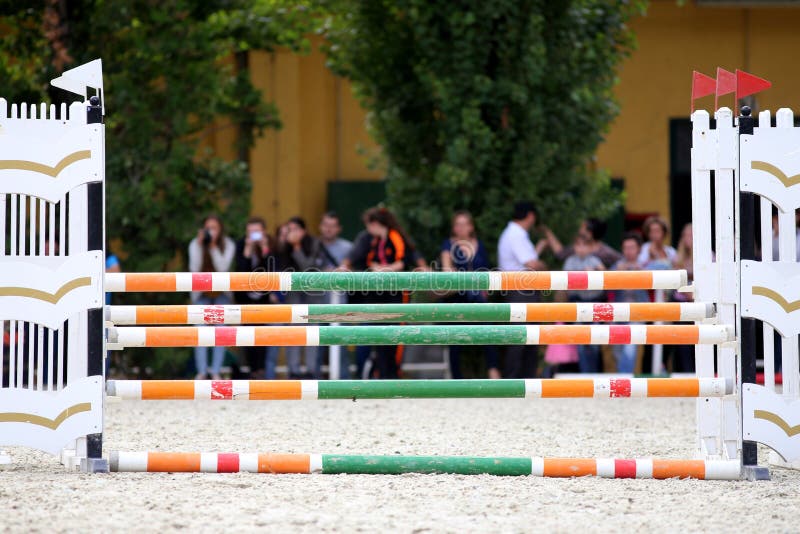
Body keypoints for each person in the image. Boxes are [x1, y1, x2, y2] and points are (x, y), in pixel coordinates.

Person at [343, 207, 413, 379]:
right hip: (379, 294)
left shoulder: (395, 236)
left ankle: (393, 375)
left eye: (369, 225)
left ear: (375, 223)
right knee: (380, 338)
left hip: (397, 293)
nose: (368, 229)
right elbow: (366, 261)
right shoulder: (372, 240)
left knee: (396, 337)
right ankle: (381, 375)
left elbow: (401, 262)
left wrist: (383, 269)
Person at [440, 211, 500, 379]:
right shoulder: (448, 245)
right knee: (455, 341)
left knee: (489, 332)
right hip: (455, 299)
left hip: (477, 298)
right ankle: (456, 380)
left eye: (464, 224)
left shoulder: (479, 245)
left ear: (471, 227)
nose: (461, 228)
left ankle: (494, 374)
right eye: (457, 224)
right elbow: (447, 272)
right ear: (453, 228)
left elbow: (486, 273)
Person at [497, 201, 547, 378]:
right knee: (521, 339)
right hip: (521, 291)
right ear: (531, 216)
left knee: (526, 339)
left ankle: (523, 380)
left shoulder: (514, 233)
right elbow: (532, 264)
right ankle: (514, 381)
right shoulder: (516, 234)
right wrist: (545, 267)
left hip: (519, 291)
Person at [281, 216, 331, 378]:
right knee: (293, 335)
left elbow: (308, 269)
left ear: (304, 231)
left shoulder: (314, 244)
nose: (293, 233)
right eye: (290, 229)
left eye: (296, 229)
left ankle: (311, 371)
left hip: (313, 297)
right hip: (293, 298)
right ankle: (293, 371)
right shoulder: (283, 246)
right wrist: (286, 245)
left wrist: (296, 247)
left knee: (312, 336)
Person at [189, 215, 235, 380]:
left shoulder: (228, 244)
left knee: (221, 332)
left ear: (220, 229)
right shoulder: (195, 244)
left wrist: (213, 247)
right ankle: (202, 371)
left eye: (214, 228)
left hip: (221, 294)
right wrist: (200, 245)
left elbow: (223, 268)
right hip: (201, 294)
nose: (211, 232)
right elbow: (194, 268)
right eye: (208, 228)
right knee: (199, 331)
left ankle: (216, 371)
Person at [234, 216, 280, 379]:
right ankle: (252, 371)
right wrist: (247, 251)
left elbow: (271, 270)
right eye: (250, 232)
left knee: (263, 335)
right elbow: (241, 271)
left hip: (263, 298)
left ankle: (262, 371)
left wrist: (265, 248)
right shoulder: (240, 244)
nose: (253, 235)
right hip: (245, 298)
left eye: (257, 232)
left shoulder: (270, 244)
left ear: (264, 232)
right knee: (247, 336)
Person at [317, 211, 353, 378]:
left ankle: (344, 383)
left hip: (340, 305)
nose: (328, 229)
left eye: (332, 226)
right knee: (315, 347)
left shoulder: (348, 248)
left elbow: (356, 275)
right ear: (320, 226)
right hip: (315, 305)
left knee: (341, 345)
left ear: (339, 228)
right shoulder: (312, 246)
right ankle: (314, 383)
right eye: (326, 225)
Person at [564, 235, 606, 373]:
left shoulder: (595, 260)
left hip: (594, 304)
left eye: (584, 245)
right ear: (574, 247)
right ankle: (585, 374)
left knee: (595, 341)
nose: (581, 248)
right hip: (578, 305)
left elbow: (605, 276)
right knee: (581, 342)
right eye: (578, 245)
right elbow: (565, 283)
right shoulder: (570, 261)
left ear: (590, 247)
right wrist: (582, 275)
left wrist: (594, 273)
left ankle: (595, 374)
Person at [611, 232, 649, 373]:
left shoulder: (646, 265)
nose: (628, 251)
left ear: (639, 249)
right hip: (617, 313)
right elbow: (605, 287)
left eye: (632, 247)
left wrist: (642, 274)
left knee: (630, 346)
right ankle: (624, 376)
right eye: (626, 248)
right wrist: (616, 275)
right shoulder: (617, 266)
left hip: (637, 313)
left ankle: (624, 378)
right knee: (616, 349)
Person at [547, 217, 622, 269]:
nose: (580, 230)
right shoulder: (576, 249)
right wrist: (547, 231)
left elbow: (621, 262)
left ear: (590, 233)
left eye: (582, 227)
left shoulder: (606, 253)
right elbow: (560, 253)